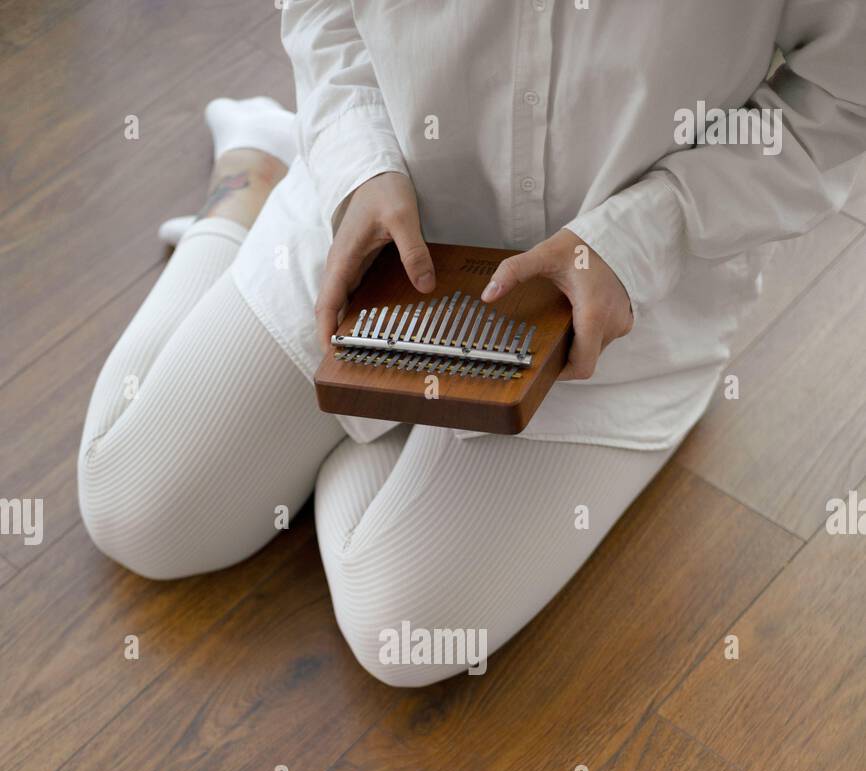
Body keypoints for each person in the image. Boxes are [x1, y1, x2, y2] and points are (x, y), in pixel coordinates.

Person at [77, 1, 866, 686]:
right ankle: (256, 171)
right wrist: (355, 158)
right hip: (370, 229)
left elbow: (844, 98)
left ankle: (369, 429)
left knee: (402, 630)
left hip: (610, 297)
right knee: (135, 509)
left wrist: (648, 233)